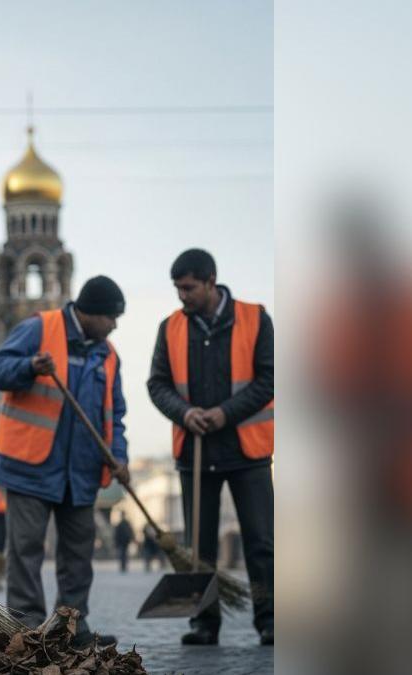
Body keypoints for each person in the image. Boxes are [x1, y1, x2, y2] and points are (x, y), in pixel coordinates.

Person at [0, 276, 130, 647]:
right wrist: (31, 365)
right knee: (26, 551)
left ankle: (72, 628)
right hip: (29, 465)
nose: (115, 325)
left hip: (80, 473)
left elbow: (115, 415)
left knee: (78, 555)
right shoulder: (39, 328)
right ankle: (27, 629)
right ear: (91, 313)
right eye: (112, 317)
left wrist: (120, 457)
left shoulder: (108, 354)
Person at [147, 248, 274, 647]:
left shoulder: (255, 318)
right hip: (194, 452)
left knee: (261, 543)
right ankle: (204, 624)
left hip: (246, 451)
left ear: (210, 282)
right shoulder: (170, 328)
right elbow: (157, 384)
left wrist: (224, 413)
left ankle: (270, 621)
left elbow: (269, 379)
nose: (181, 296)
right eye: (177, 289)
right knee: (198, 548)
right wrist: (184, 413)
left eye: (188, 288)